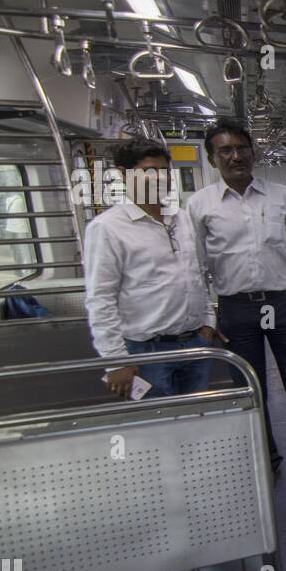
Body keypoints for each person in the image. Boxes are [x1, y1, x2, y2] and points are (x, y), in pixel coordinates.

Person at [186, 119, 286, 495]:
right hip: (235, 309)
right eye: (225, 150)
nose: (235, 156)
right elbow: (196, 269)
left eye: (241, 148)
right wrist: (207, 317)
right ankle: (268, 460)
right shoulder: (198, 206)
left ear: (253, 152)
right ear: (213, 159)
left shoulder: (282, 197)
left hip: (283, 305)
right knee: (250, 390)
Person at [83, 138, 216, 399]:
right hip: (146, 352)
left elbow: (197, 274)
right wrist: (115, 361)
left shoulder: (181, 218)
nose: (159, 178)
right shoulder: (107, 227)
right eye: (149, 171)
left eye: (165, 171)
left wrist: (208, 321)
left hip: (195, 344)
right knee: (160, 426)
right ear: (123, 174)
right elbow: (101, 299)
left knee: (198, 420)